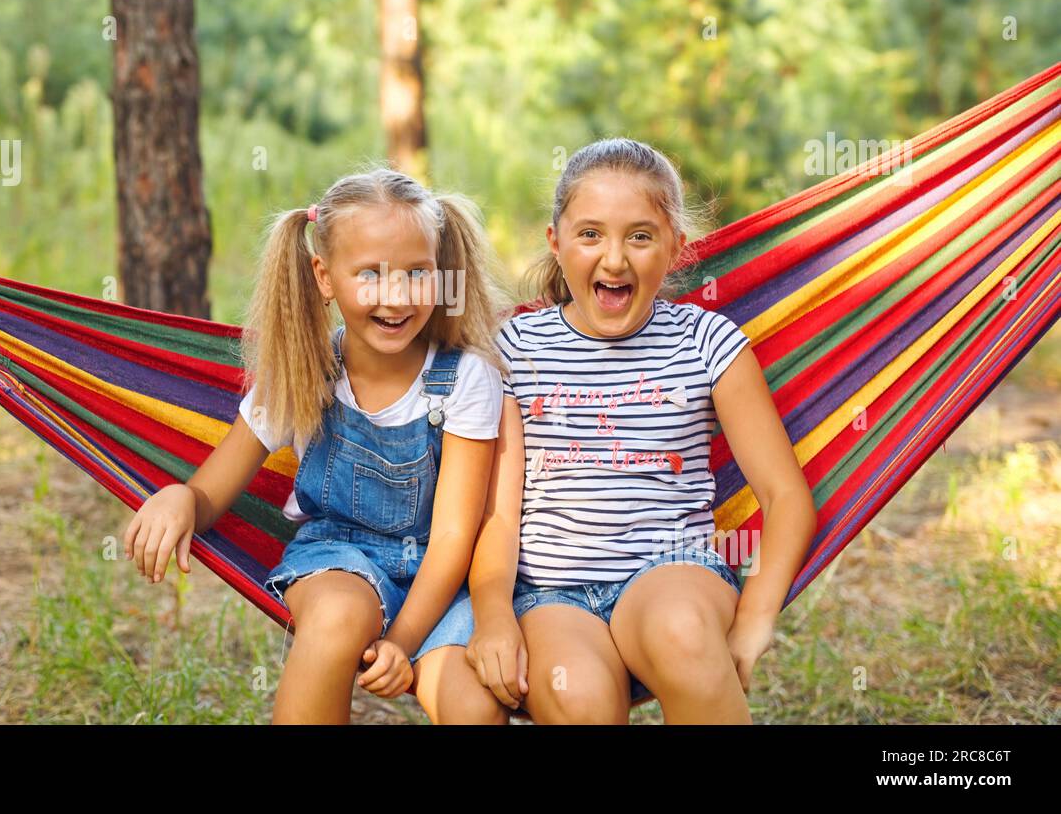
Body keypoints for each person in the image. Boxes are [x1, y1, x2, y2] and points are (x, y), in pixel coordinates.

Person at [427, 137, 818, 724]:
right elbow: (497, 516)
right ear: (556, 244)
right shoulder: (514, 349)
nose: (614, 259)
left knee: (681, 634)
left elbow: (786, 496)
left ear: (676, 247)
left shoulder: (707, 343)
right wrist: (494, 614)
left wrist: (758, 614)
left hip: (672, 571)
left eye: (640, 235)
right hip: (552, 594)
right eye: (590, 235)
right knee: (577, 695)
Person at [123, 167, 510, 723]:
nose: (395, 297)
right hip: (338, 560)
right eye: (370, 274)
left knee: (475, 709)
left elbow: (453, 536)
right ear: (324, 276)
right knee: (336, 617)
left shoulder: (466, 377)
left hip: (441, 581)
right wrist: (181, 498)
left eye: (416, 273)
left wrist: (400, 642)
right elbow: (210, 492)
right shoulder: (301, 371)